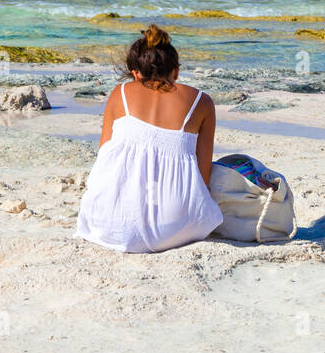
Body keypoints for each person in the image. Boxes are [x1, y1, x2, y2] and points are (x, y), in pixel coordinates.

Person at [75, 24, 223, 252]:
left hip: (110, 223)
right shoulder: (202, 102)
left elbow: (104, 158)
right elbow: (203, 178)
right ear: (176, 71)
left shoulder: (120, 93)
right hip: (176, 228)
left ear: (135, 73)